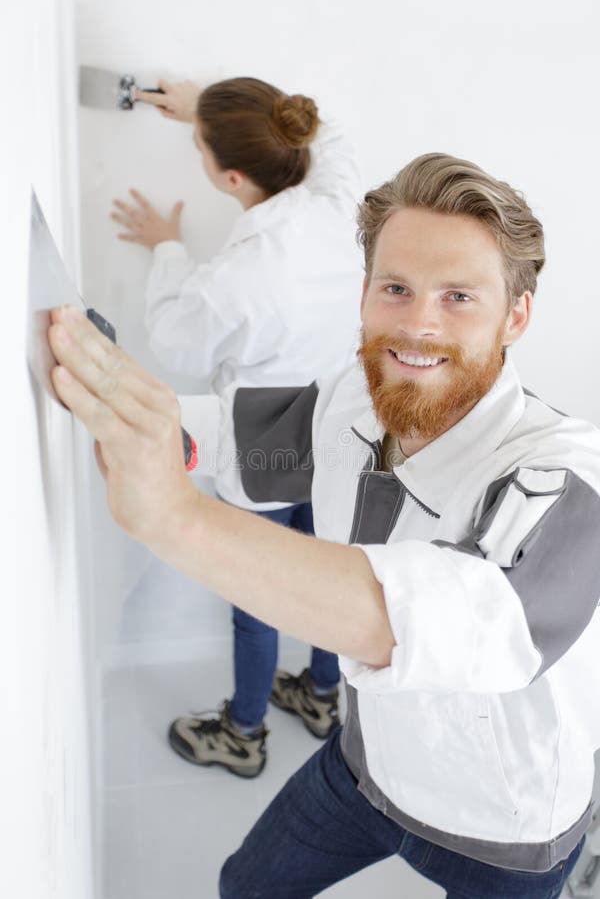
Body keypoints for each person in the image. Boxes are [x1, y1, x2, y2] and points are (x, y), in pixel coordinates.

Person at [47, 151, 600, 898]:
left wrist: (176, 518)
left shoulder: (568, 475)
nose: (418, 324)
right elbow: (245, 439)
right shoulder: (355, 402)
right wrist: (128, 407)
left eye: (459, 297)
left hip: (505, 832)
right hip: (365, 770)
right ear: (364, 293)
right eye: (395, 289)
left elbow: (449, 618)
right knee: (246, 887)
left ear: (517, 316)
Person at [110, 76, 365, 774]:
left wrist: (168, 249)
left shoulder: (236, 278)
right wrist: (214, 107)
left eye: (199, 145)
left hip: (267, 439)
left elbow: (174, 342)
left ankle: (245, 733)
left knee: (257, 592)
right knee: (329, 571)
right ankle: (322, 695)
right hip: (342, 426)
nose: (196, 150)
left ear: (229, 178)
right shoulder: (338, 206)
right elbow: (332, 134)